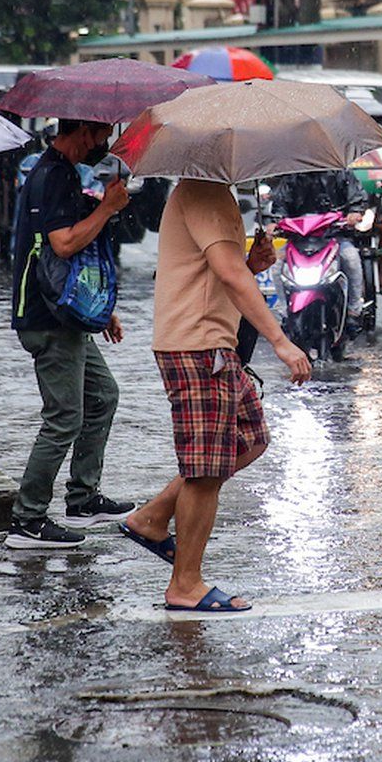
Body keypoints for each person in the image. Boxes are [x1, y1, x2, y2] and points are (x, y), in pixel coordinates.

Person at [121, 179, 311, 612]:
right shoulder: (204, 193)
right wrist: (280, 341)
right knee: (205, 472)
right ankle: (185, 584)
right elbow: (227, 274)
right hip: (200, 346)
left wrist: (252, 263)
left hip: (210, 342)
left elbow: (220, 269)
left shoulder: (209, 194)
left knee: (251, 438)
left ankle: (152, 518)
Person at [7, 118, 132, 549]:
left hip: (68, 315)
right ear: (83, 131)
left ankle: (83, 497)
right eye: (101, 135)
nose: (105, 143)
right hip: (47, 318)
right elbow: (63, 245)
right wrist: (107, 208)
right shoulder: (52, 175)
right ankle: (28, 519)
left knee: (103, 396)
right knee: (64, 418)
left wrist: (99, 310)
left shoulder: (62, 173)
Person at [270, 169, 372, 323]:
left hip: (333, 236)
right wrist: (275, 222)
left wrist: (354, 212)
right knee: (276, 264)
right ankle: (283, 308)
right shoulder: (291, 177)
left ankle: (354, 308)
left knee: (351, 259)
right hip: (299, 240)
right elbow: (280, 206)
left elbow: (356, 198)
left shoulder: (341, 174)